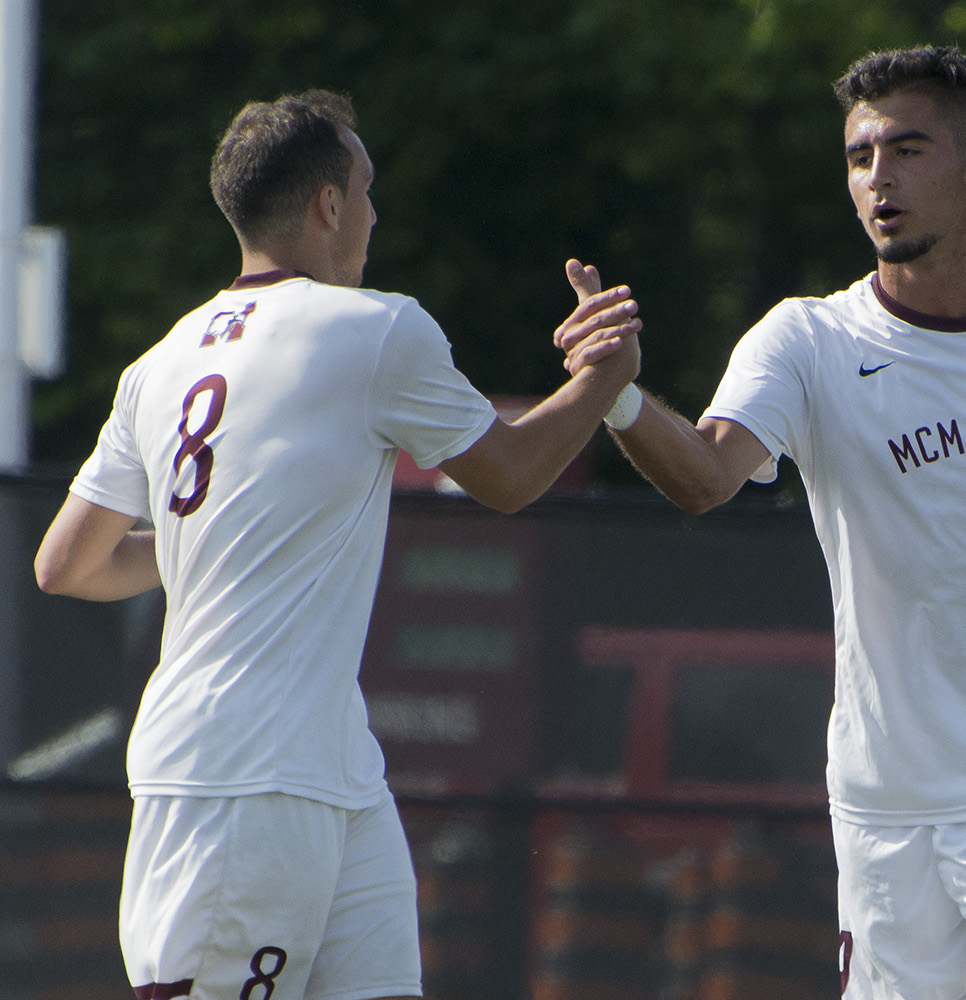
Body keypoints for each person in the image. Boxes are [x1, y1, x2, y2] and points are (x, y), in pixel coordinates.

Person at [557, 46, 966, 1000]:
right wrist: (617, 395)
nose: (879, 178)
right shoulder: (807, 340)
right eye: (860, 157)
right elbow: (705, 477)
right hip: (888, 796)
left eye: (907, 150)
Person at [32, 90, 642, 1000]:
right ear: (327, 205)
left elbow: (66, 564)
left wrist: (220, 538)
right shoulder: (375, 329)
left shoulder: (157, 363)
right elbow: (512, 477)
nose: (373, 214)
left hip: (330, 770)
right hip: (241, 779)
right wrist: (605, 377)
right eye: (365, 190)